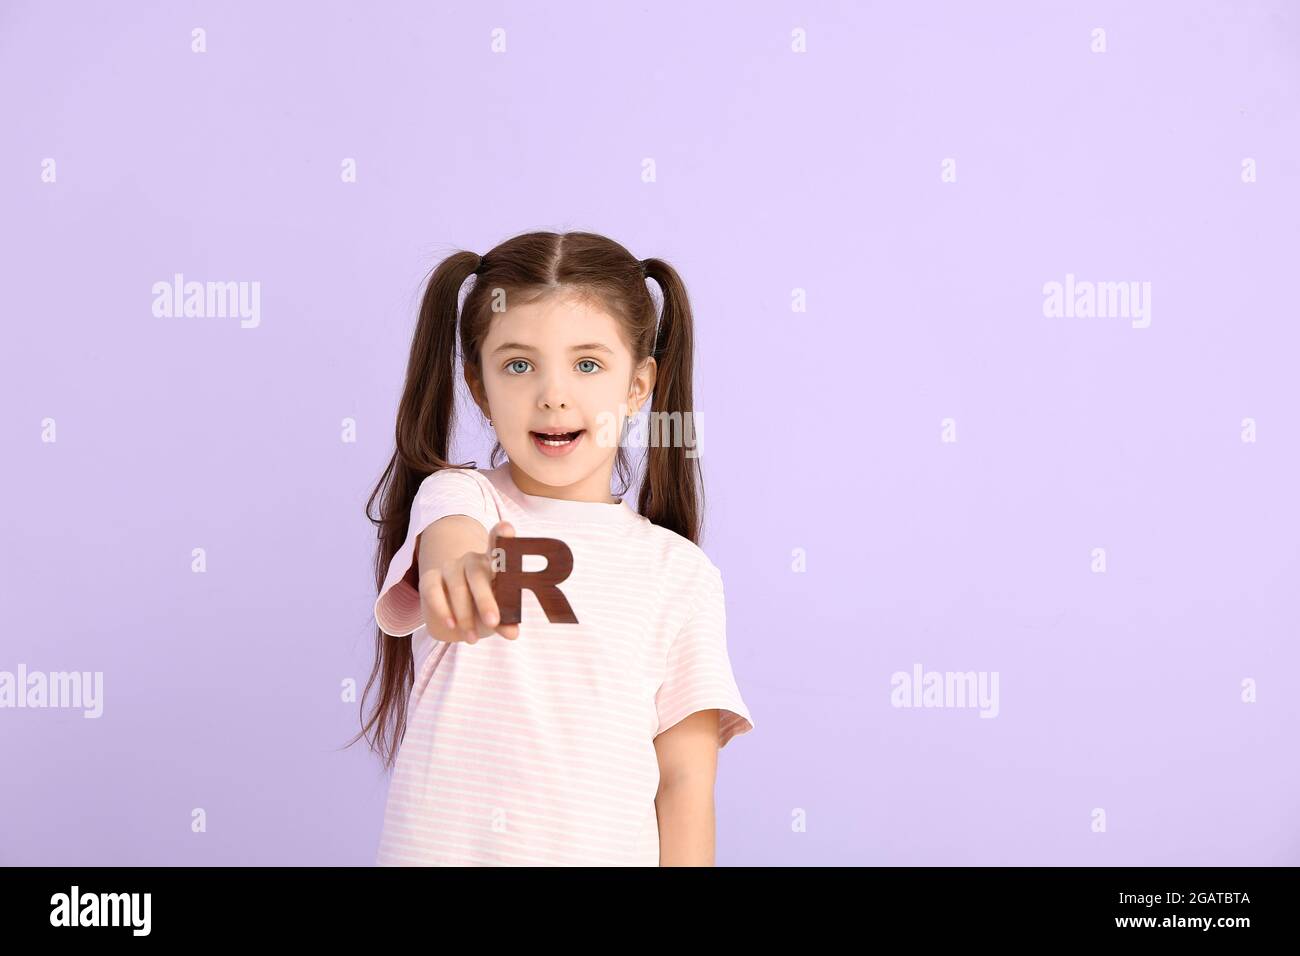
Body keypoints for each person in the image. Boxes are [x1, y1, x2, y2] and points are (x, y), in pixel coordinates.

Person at [354, 230, 754, 865]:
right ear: (478, 387)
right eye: (518, 364)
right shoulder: (461, 501)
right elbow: (450, 548)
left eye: (587, 364)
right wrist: (461, 571)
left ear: (638, 385)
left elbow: (685, 786)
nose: (553, 393)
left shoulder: (681, 575)